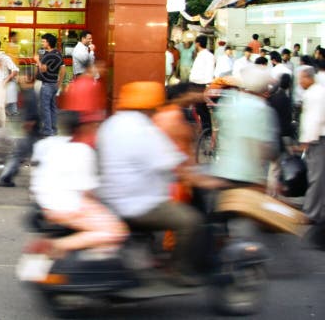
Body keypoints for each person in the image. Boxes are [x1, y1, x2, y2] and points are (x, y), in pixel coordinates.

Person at [96, 81, 203, 284]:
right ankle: (178, 270)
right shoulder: (145, 130)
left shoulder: (111, 124)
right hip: (139, 205)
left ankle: (149, 256)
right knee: (190, 220)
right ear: (150, 106)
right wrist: (201, 179)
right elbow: (171, 163)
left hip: (111, 198)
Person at [30, 104, 127, 258]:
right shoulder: (83, 151)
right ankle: (57, 245)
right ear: (85, 128)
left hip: (43, 201)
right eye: (96, 125)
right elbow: (89, 191)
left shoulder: (55, 144)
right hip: (65, 206)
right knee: (114, 232)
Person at [209, 64, 278, 187]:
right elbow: (265, 148)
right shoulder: (261, 108)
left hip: (223, 171)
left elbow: (219, 125)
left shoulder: (231, 101)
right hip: (248, 176)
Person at [0, 69, 40, 187]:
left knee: (19, 155)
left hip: (29, 131)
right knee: (20, 155)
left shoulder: (30, 94)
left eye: (22, 77)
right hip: (29, 132)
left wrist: (27, 126)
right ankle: (6, 176)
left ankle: (7, 176)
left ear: (28, 79)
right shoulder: (28, 92)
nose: (19, 79)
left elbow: (32, 112)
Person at [297, 66, 325, 228]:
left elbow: (315, 119)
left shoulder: (315, 94)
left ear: (309, 78)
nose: (300, 82)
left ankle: (311, 213)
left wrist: (306, 141)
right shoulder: (317, 91)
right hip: (318, 137)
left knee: (316, 177)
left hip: (317, 139)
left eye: (301, 78)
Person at [34, 33, 65, 136]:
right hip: (53, 84)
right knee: (52, 107)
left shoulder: (48, 55)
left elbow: (43, 69)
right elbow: (63, 69)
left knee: (45, 108)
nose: (42, 43)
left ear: (48, 42)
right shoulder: (58, 53)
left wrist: (37, 60)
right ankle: (54, 128)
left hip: (47, 85)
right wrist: (59, 84)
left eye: (43, 41)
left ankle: (47, 130)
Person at [189, 35, 215, 131]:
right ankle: (204, 128)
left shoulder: (208, 56)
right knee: (198, 108)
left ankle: (207, 129)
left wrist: (207, 86)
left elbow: (209, 72)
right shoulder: (199, 55)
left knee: (202, 109)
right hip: (196, 84)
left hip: (202, 85)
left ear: (198, 43)